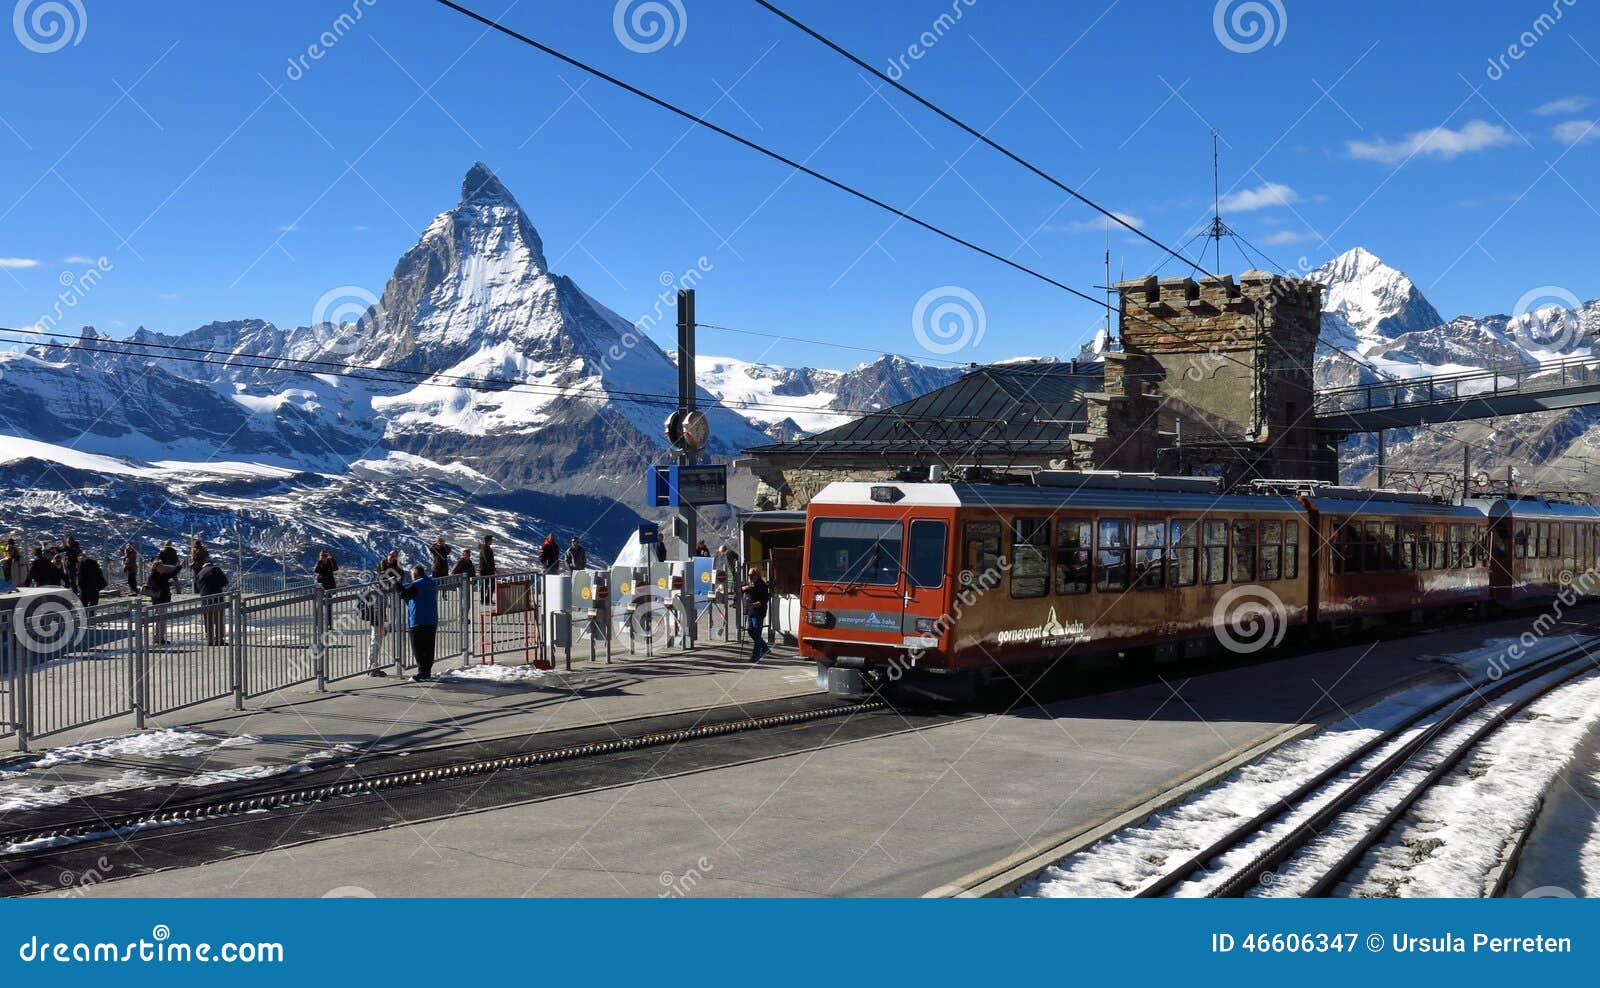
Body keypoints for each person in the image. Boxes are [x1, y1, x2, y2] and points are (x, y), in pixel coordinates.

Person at [364, 550, 405, 676]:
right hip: (377, 616)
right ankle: (372, 667)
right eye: (391, 555)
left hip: (382, 616)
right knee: (376, 638)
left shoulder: (398, 567)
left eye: (395, 556)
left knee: (379, 638)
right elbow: (383, 575)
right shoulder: (377, 593)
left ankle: (374, 666)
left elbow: (400, 577)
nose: (392, 558)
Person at [399, 564, 439, 682]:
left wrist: (396, 584)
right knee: (429, 647)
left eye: (411, 574)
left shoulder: (416, 585)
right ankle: (427, 671)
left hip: (418, 620)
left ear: (415, 574)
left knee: (418, 648)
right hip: (431, 620)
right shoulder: (431, 583)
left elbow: (404, 594)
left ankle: (422, 672)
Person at [195, 559, 230, 646]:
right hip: (217, 598)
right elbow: (224, 582)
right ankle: (219, 640)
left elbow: (197, 587)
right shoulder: (215, 569)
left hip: (205, 599)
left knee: (208, 621)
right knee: (218, 620)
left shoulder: (199, 573)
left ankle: (210, 640)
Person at [740, 566, 771, 663]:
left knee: (757, 634)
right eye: (748, 575)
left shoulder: (762, 585)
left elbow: (763, 601)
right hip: (750, 612)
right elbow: (740, 588)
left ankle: (755, 655)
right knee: (750, 631)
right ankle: (765, 648)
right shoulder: (750, 582)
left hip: (758, 612)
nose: (749, 576)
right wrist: (745, 587)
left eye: (751, 575)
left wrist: (752, 605)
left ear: (757, 575)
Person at [146, 559, 179, 645]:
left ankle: (161, 638)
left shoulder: (163, 575)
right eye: (161, 566)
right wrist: (167, 584)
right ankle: (158, 639)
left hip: (164, 599)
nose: (163, 568)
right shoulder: (153, 576)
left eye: (163, 566)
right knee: (159, 620)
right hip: (158, 601)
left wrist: (180, 566)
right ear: (156, 567)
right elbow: (156, 587)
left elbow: (172, 573)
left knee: (162, 621)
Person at [478, 533, 497, 605]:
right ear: (488, 541)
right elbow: (487, 560)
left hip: (489, 570)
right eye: (491, 540)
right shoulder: (485, 549)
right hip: (485, 570)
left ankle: (488, 598)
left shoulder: (488, 548)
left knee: (491, 584)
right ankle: (483, 599)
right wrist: (492, 569)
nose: (492, 541)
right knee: (485, 585)